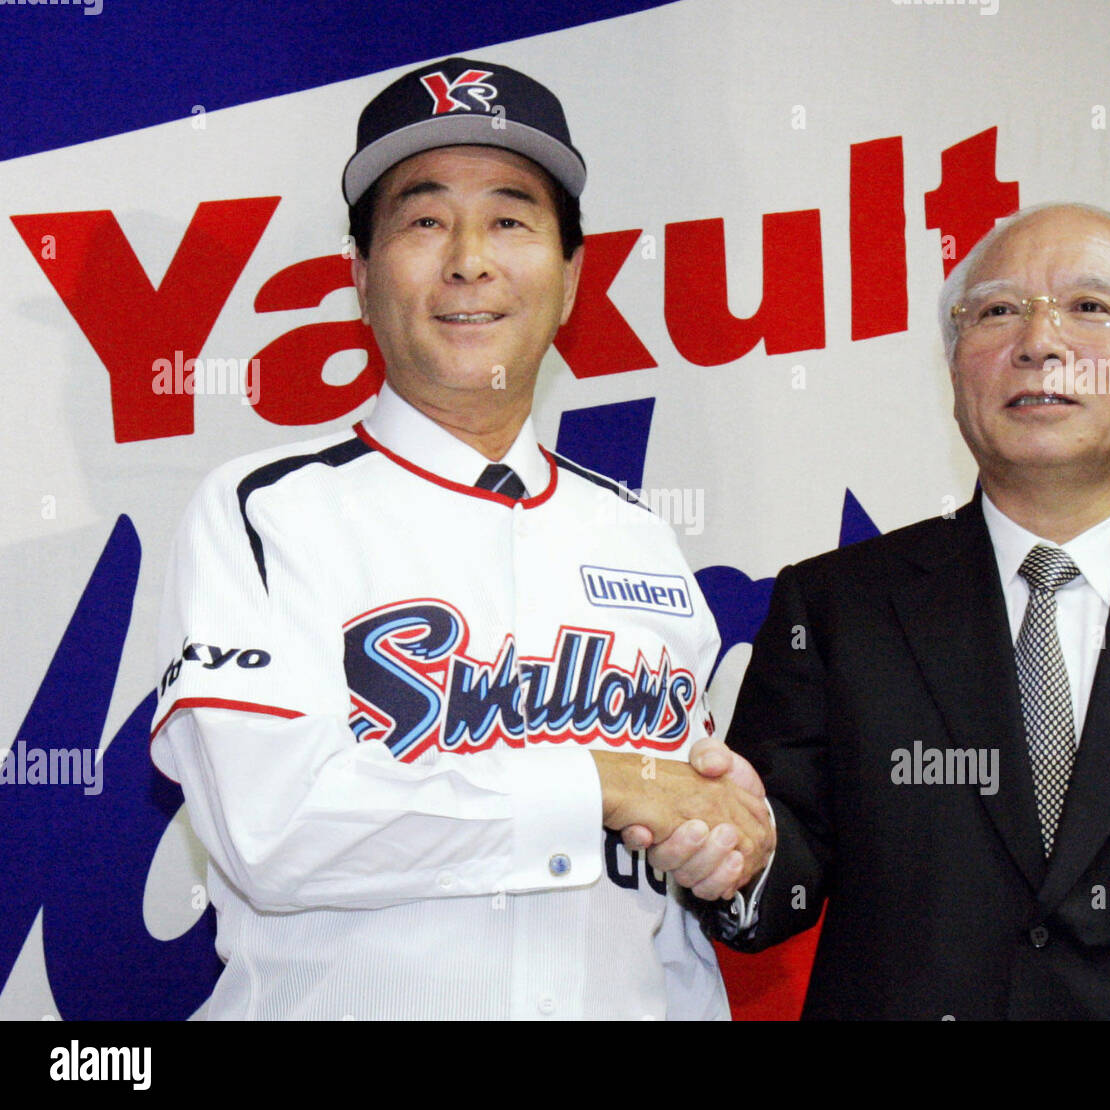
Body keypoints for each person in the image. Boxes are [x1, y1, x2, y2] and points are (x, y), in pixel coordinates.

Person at [149, 56, 772, 1021]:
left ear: (571, 278)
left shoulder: (642, 539)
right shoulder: (265, 509)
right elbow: (272, 833)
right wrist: (599, 782)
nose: (470, 258)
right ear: (361, 276)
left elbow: (666, 915)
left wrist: (722, 842)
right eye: (425, 219)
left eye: (513, 219)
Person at [693, 203, 1110, 1019]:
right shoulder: (836, 607)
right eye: (999, 311)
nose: (1040, 343)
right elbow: (777, 878)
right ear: (954, 373)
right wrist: (734, 847)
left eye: (1089, 308)